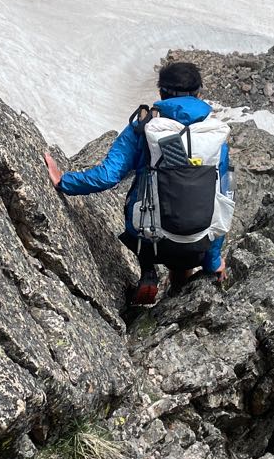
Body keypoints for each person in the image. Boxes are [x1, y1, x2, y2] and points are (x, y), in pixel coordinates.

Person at [43, 61, 230, 307]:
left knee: (143, 203)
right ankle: (177, 290)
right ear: (199, 93)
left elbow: (108, 176)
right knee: (186, 228)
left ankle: (148, 272)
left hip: (148, 241)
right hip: (195, 244)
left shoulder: (143, 128)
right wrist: (214, 259)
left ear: (161, 92)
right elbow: (223, 198)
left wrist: (63, 180)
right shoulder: (214, 137)